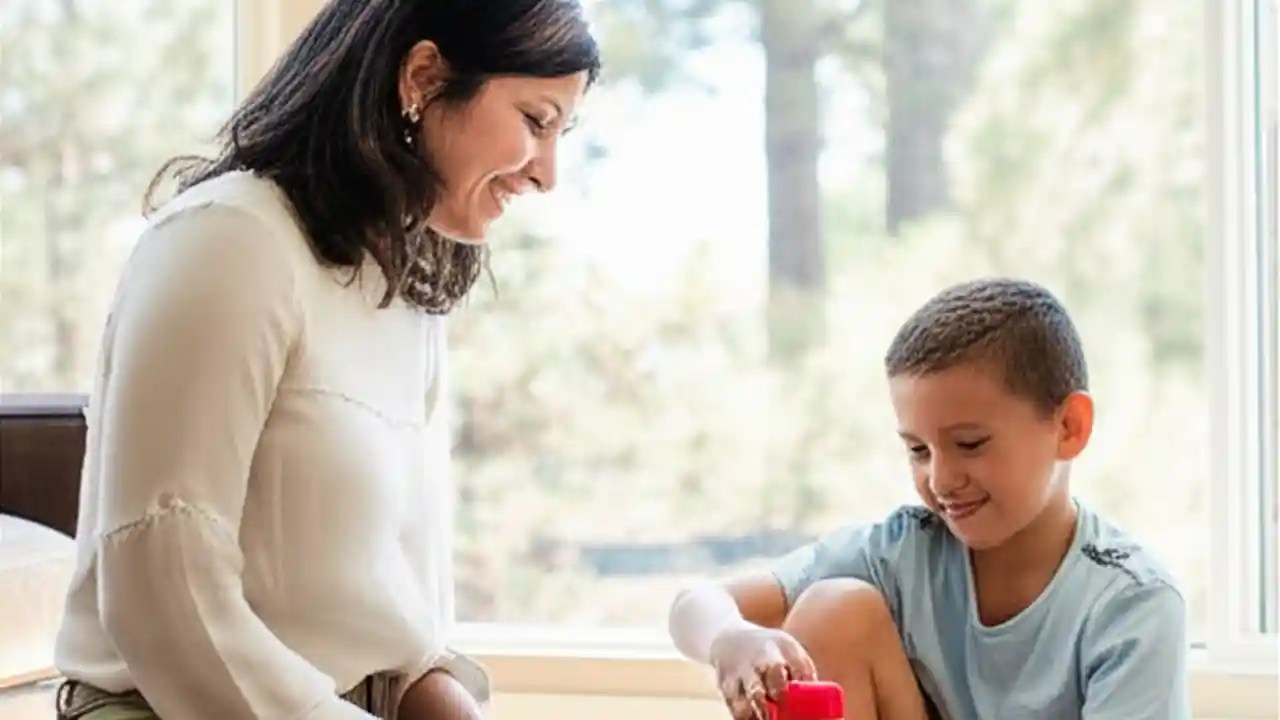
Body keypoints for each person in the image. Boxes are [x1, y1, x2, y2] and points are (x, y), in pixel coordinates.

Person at [53, 1, 599, 718]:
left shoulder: (404, 288)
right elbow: (164, 594)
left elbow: (386, 619)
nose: (548, 175)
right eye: (535, 120)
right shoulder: (231, 240)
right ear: (424, 78)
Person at [668, 278, 1189, 720]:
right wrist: (730, 638)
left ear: (1069, 427)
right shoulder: (904, 551)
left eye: (970, 444)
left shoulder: (1131, 602)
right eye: (918, 450)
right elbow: (697, 603)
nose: (940, 480)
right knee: (832, 609)